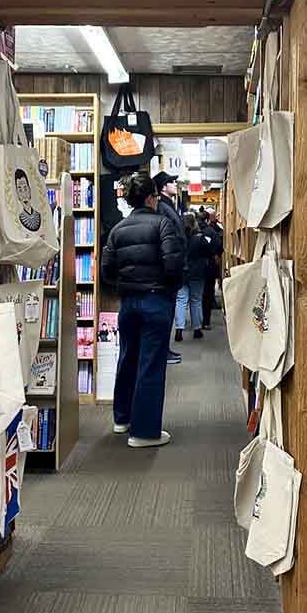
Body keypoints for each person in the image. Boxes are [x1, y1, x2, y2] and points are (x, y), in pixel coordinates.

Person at [101, 173, 184, 448]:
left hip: (128, 302)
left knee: (127, 359)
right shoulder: (163, 224)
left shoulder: (118, 229)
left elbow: (106, 270)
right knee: (150, 364)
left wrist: (124, 285)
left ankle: (121, 419)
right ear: (151, 197)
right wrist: (167, 290)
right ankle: (144, 432)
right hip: (156, 300)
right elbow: (173, 266)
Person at [152, 171, 185, 365]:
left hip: (172, 267)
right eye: (172, 182)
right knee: (165, 313)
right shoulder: (163, 207)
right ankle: (163, 351)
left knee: (168, 312)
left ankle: (165, 349)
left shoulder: (167, 205)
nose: (175, 184)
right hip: (168, 271)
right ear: (163, 187)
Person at [175, 212, 214, 341]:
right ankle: (197, 329)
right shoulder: (200, 238)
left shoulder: (178, 238)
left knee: (181, 300)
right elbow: (209, 252)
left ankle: (179, 330)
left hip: (182, 273)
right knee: (196, 300)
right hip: (197, 274)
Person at [197, 210, 223, 329]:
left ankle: (195, 323)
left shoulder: (192, 231)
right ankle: (206, 322)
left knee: (194, 296)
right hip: (209, 267)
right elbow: (219, 247)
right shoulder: (211, 231)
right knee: (207, 295)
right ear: (207, 220)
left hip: (194, 267)